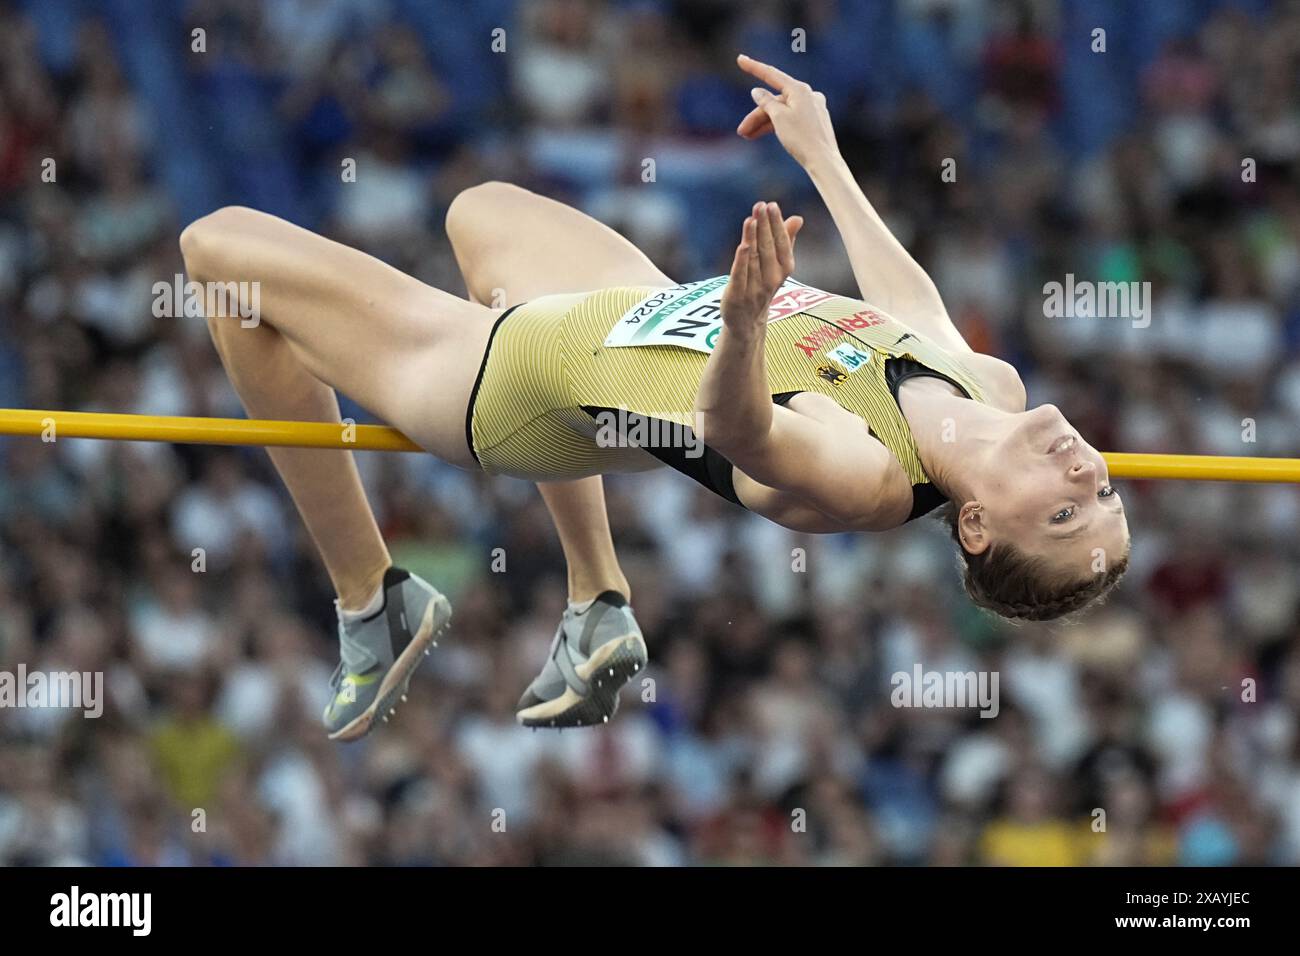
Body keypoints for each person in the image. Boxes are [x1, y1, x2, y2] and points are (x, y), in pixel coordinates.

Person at [178, 55, 1128, 741]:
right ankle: (596, 594)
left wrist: (750, 320)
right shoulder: (993, 387)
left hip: (505, 376)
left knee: (219, 255)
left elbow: (740, 428)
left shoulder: (867, 476)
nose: (1088, 475)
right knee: (482, 214)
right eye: (1105, 496)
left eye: (1061, 512)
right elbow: (909, 308)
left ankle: (367, 600)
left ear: (972, 526)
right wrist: (823, 158)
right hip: (635, 315)